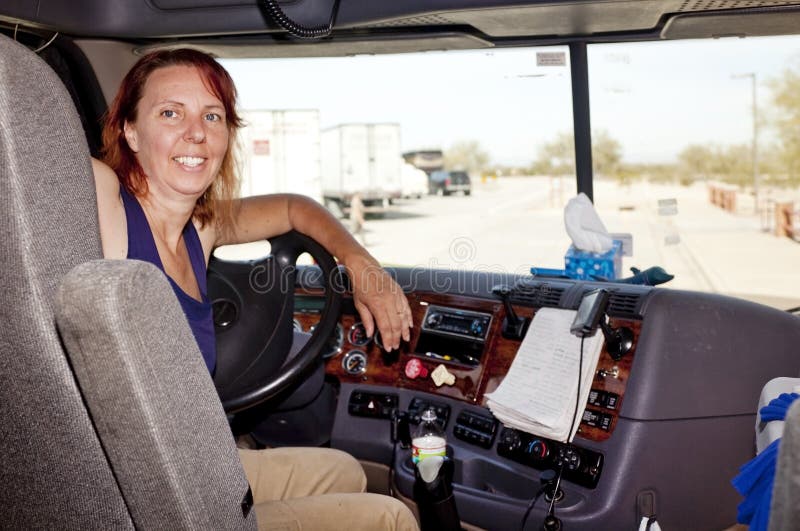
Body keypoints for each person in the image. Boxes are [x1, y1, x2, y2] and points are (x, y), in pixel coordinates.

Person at [92, 48, 418, 530]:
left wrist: (361, 265)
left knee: (346, 470)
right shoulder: (107, 202)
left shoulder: (199, 228)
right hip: (137, 493)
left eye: (212, 116)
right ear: (130, 131)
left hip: (190, 463)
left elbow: (293, 207)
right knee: (390, 518)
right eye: (170, 113)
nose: (196, 133)